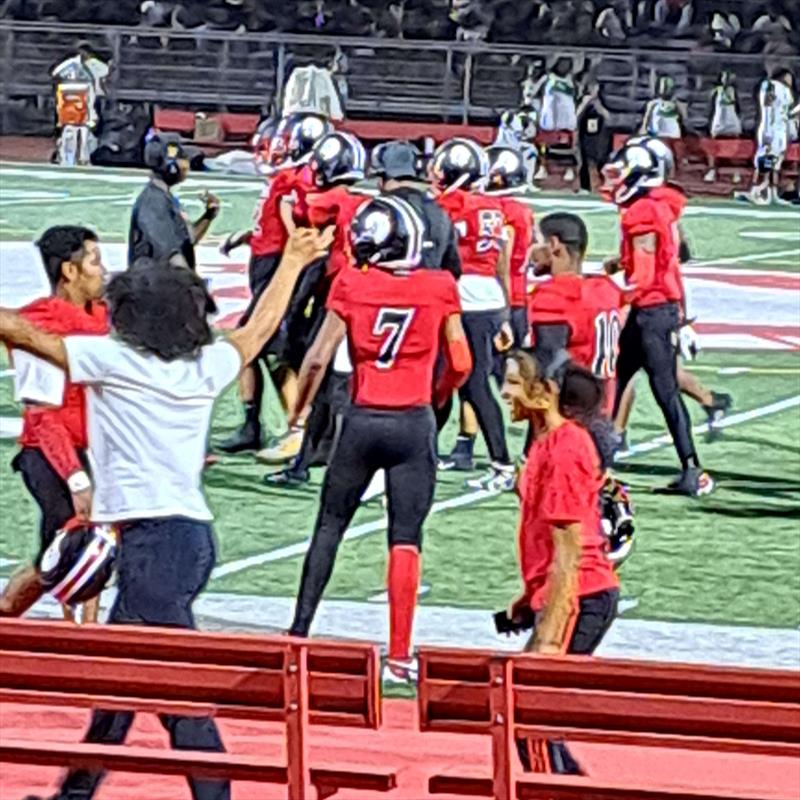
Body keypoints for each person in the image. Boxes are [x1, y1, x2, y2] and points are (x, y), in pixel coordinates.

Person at [2, 226, 333, 800]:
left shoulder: (109, 359)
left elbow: (20, 330)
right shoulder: (203, 365)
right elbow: (256, 330)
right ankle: (74, 794)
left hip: (154, 543)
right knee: (122, 683)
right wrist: (295, 263)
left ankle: (214, 796)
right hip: (187, 539)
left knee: (179, 695)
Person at [287, 196, 472, 683]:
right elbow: (462, 362)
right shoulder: (439, 286)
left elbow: (315, 358)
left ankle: (298, 633)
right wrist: (437, 397)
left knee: (329, 525)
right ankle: (399, 654)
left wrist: (299, 411)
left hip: (362, 417)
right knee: (405, 539)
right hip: (413, 420)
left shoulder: (351, 282)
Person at [499, 348, 619, 774]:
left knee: (529, 716)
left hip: (577, 596)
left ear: (544, 392)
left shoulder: (566, 448)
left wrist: (550, 628)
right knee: (530, 720)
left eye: (514, 383)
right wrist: (530, 594)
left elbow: (569, 549)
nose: (503, 391)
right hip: (566, 593)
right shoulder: (550, 442)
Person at [0, 226, 108, 622]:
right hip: (50, 454)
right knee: (82, 548)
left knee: (54, 560)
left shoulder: (104, 314)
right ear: (69, 271)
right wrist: (76, 478)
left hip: (92, 449)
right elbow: (42, 415)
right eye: (95, 261)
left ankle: (7, 614)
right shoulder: (39, 323)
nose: (104, 270)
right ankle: (81, 645)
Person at [600, 142, 713, 496]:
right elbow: (664, 260)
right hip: (657, 309)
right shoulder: (659, 207)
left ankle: (693, 470)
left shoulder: (643, 213)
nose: (615, 179)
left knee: (660, 390)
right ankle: (599, 460)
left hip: (651, 311)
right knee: (615, 381)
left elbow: (645, 276)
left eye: (622, 172)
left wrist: (612, 296)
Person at [217, 113, 331, 458]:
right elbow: (273, 224)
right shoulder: (289, 178)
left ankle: (296, 429)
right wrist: (247, 237)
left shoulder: (299, 180)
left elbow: (299, 229)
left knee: (272, 350)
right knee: (254, 349)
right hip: (269, 264)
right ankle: (254, 424)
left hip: (280, 269)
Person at [265, 130, 369, 487]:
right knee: (335, 383)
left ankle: (329, 456)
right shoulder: (363, 202)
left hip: (335, 294)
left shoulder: (328, 201)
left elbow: (302, 220)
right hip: (362, 292)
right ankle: (308, 458)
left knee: (327, 376)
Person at [432, 139, 515, 489]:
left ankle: (502, 463)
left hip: (462, 299)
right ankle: (426, 451)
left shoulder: (448, 205)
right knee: (454, 382)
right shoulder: (492, 208)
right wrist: (507, 312)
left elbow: (438, 254)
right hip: (490, 300)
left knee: (467, 384)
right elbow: (500, 262)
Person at [128, 131, 220, 271]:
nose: (187, 166)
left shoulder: (165, 197)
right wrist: (192, 286)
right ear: (169, 166)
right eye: (183, 159)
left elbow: (187, 240)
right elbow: (171, 255)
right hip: (154, 287)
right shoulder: (154, 203)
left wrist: (209, 215)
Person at [484, 146, 533, 349]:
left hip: (500, 298)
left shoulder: (494, 210)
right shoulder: (522, 211)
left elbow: (501, 260)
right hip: (517, 296)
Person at [738, 69, 795, 205]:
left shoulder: (787, 92)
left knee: (776, 162)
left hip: (781, 129)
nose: (790, 80)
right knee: (765, 159)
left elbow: (786, 112)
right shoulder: (771, 85)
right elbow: (767, 103)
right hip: (770, 127)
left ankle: (772, 193)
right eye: (787, 77)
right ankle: (756, 190)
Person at [704, 70, 743, 185]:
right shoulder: (716, 91)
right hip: (718, 122)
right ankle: (712, 171)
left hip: (732, 122)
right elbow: (711, 106)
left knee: (734, 150)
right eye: (724, 77)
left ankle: (736, 172)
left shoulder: (734, 91)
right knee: (714, 148)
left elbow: (738, 107)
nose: (726, 80)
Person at [576, 78, 613, 194]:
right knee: (586, 162)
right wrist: (586, 103)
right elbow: (577, 115)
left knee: (600, 161)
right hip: (586, 136)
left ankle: (601, 184)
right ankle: (585, 186)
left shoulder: (601, 103)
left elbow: (607, 117)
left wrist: (599, 107)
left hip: (598, 137)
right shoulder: (585, 101)